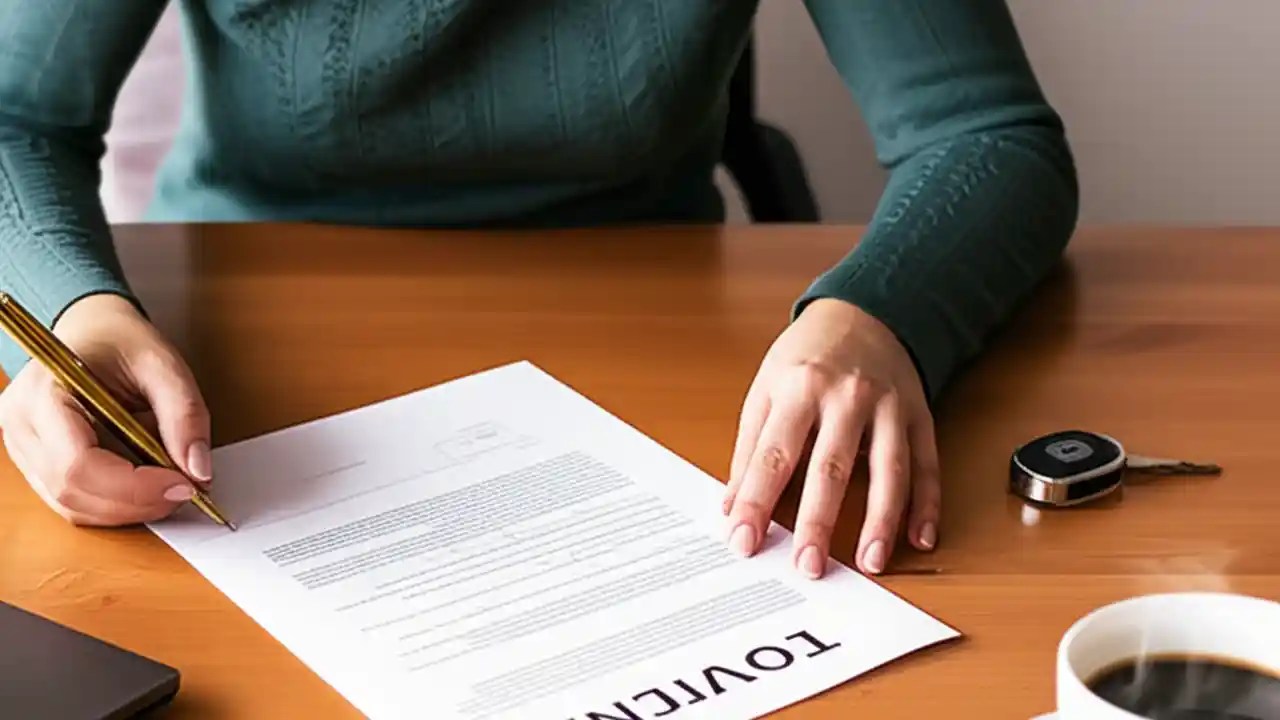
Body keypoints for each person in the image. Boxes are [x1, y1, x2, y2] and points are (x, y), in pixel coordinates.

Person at [0, 1, 1078, 578]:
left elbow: (983, 133)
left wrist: (874, 312)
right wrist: (73, 317)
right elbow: (15, 114)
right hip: (237, 378)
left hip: (668, 363)